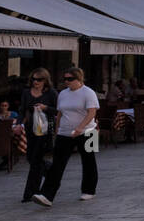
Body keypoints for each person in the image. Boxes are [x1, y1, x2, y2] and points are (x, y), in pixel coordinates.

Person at [31, 67, 99, 207]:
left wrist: (80, 128)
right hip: (65, 133)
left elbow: (92, 113)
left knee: (89, 161)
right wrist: (57, 130)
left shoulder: (89, 93)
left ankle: (89, 190)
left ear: (79, 79)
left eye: (70, 79)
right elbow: (60, 112)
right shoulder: (62, 93)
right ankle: (47, 195)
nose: (67, 82)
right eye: (65, 79)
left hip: (88, 132)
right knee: (57, 164)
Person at [19, 68, 58, 203]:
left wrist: (45, 108)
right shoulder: (26, 93)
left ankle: (30, 193)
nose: (36, 82)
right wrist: (19, 124)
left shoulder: (51, 93)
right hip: (30, 129)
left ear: (45, 80)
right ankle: (50, 173)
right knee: (31, 157)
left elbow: (58, 110)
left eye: (39, 79)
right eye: (34, 79)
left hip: (45, 129)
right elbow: (22, 110)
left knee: (35, 160)